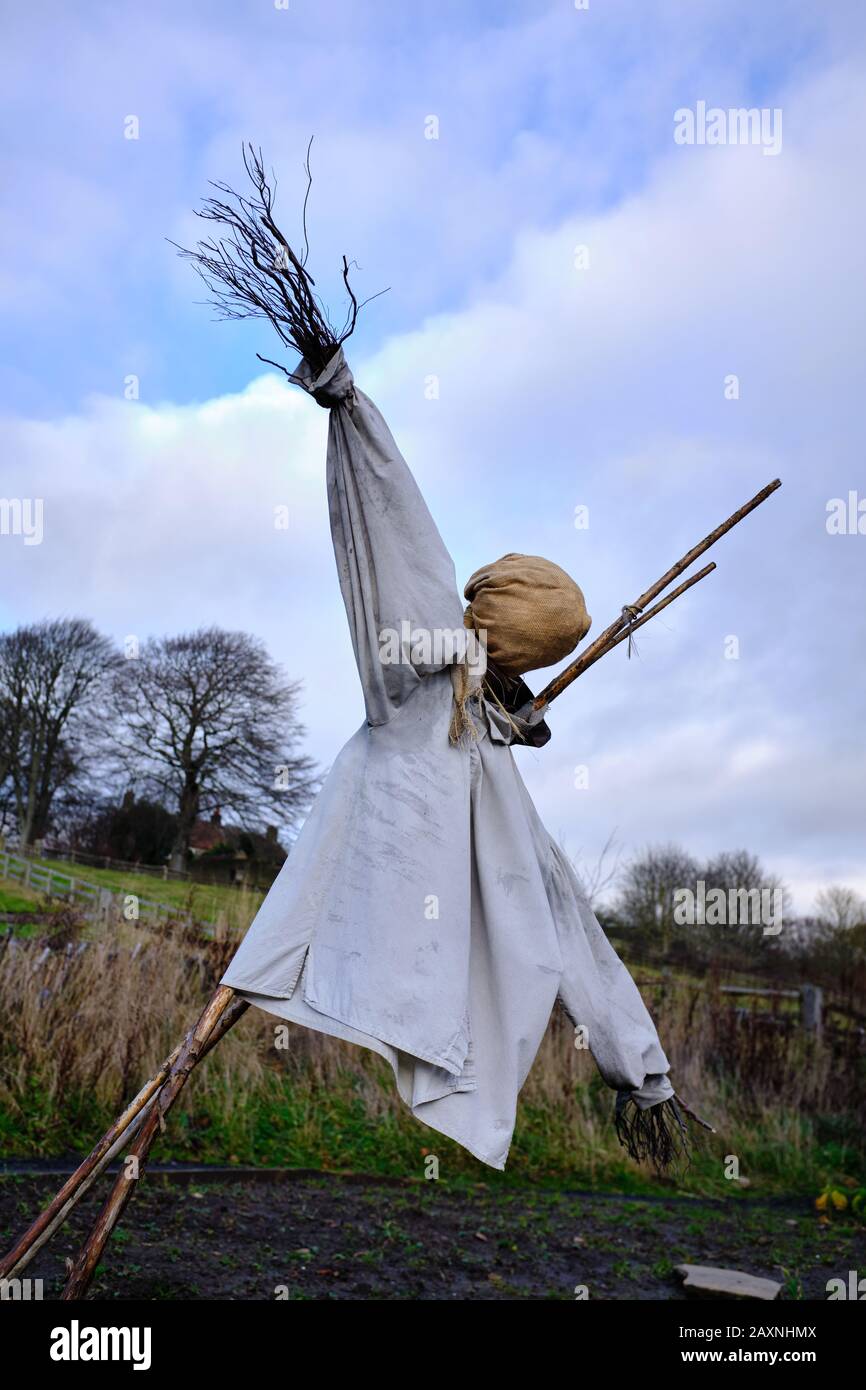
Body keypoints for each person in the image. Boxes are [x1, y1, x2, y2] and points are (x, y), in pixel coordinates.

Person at [222, 346, 684, 1170]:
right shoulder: (452, 701)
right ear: (528, 658)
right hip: (381, 965)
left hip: (335, 938)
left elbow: (389, 527)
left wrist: (349, 408)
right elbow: (569, 918)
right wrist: (640, 1070)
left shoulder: (437, 689)